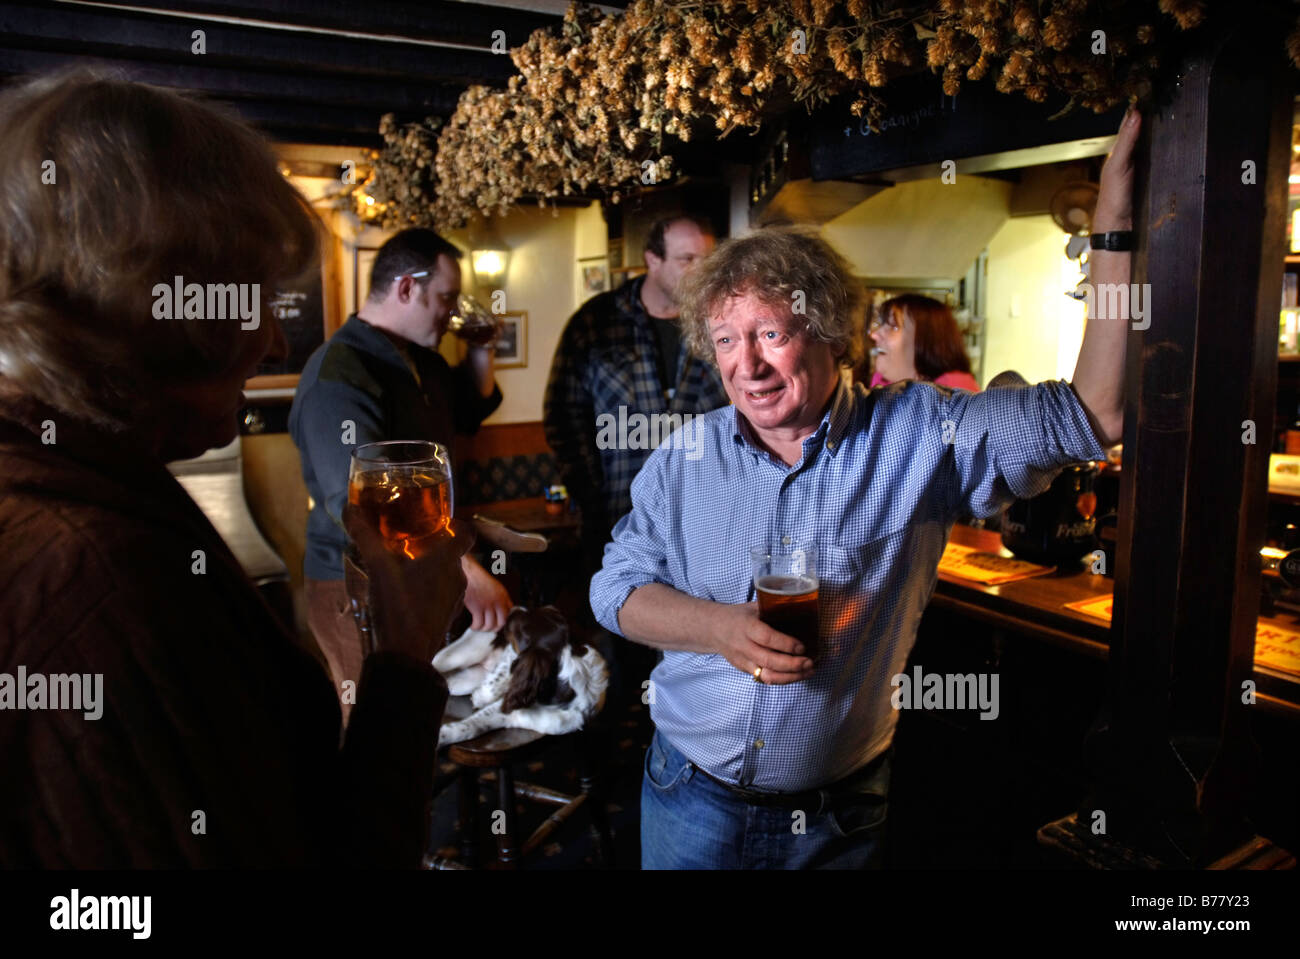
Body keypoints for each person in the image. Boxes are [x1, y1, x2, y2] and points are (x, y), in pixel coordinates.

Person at [590, 109, 1139, 869]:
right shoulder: (683, 456)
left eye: (771, 334)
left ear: (831, 332)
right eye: (725, 341)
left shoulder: (920, 435)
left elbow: (1097, 412)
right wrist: (718, 627)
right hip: (688, 796)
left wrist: (1111, 230)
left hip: (834, 824)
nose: (745, 365)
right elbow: (614, 588)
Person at [0, 71, 470, 867]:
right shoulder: (96, 571)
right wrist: (404, 656)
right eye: (251, 296)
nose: (275, 343)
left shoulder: (73, 487)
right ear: (153, 302)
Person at [290, 229, 512, 722]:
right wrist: (462, 568)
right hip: (356, 584)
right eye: (446, 299)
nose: (451, 313)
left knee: (421, 716)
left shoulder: (422, 360)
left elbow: (470, 410)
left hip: (417, 569)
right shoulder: (340, 375)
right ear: (407, 288)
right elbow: (363, 503)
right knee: (374, 720)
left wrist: (481, 348)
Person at [544, 213, 730, 697]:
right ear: (652, 260)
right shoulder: (595, 323)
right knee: (615, 656)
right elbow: (563, 417)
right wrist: (591, 493)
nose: (702, 270)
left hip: (706, 523)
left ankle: (682, 749)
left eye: (707, 259)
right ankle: (618, 760)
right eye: (688, 259)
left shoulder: (722, 322)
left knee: (696, 653)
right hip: (615, 521)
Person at [859, 293, 980, 392]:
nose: (874, 335)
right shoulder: (883, 383)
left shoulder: (953, 393)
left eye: (894, 327)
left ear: (928, 340)